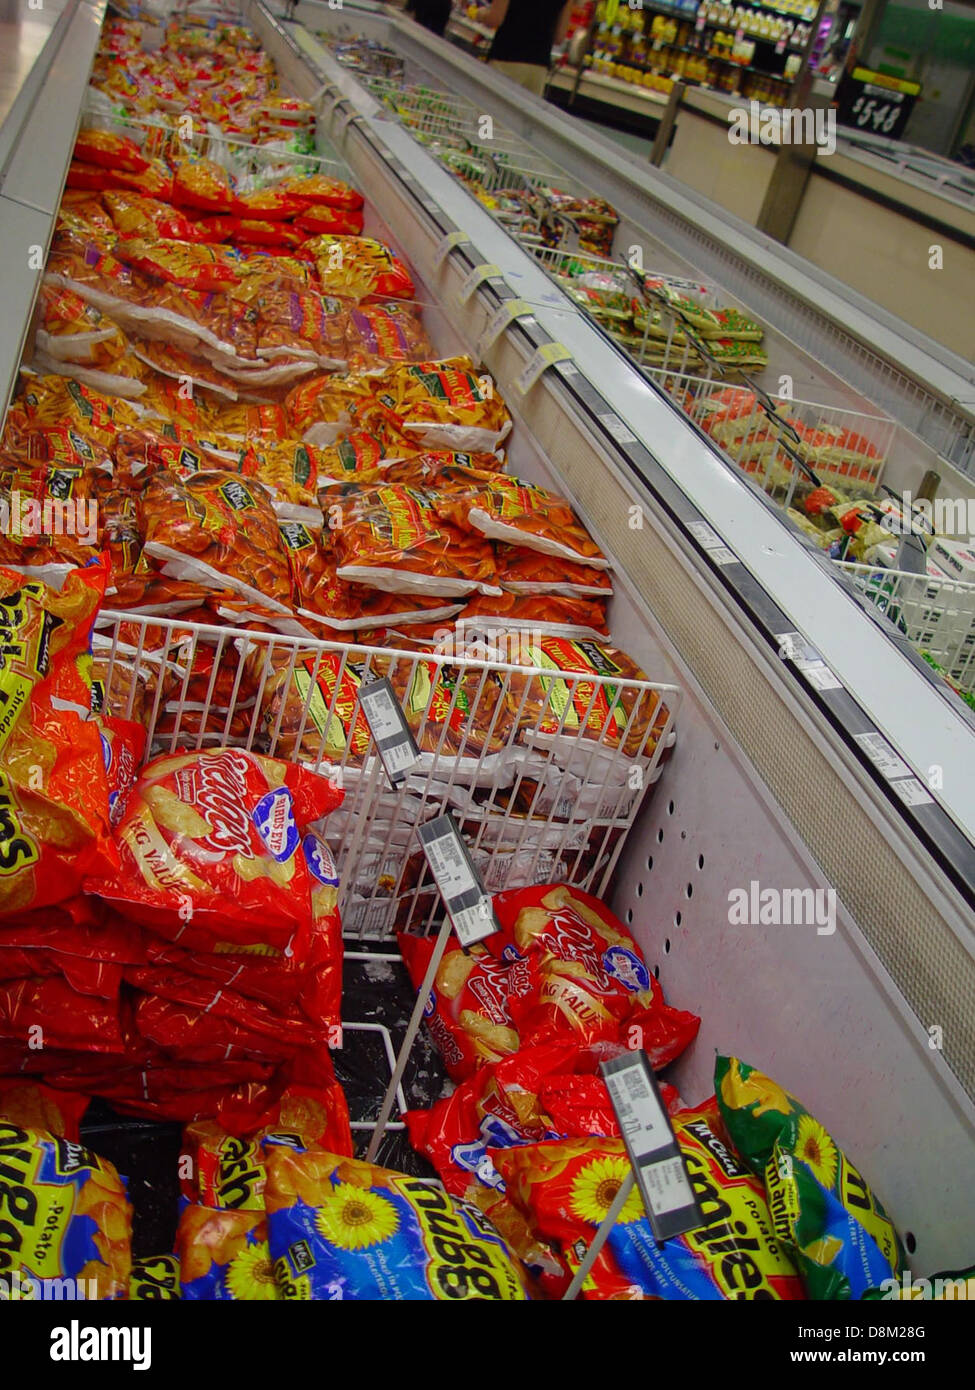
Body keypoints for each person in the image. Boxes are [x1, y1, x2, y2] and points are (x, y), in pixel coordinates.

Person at [480, 0, 574, 97]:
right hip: (538, 69)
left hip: (506, 58)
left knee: (491, 108)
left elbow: (495, 19)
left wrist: (480, 14)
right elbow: (559, 38)